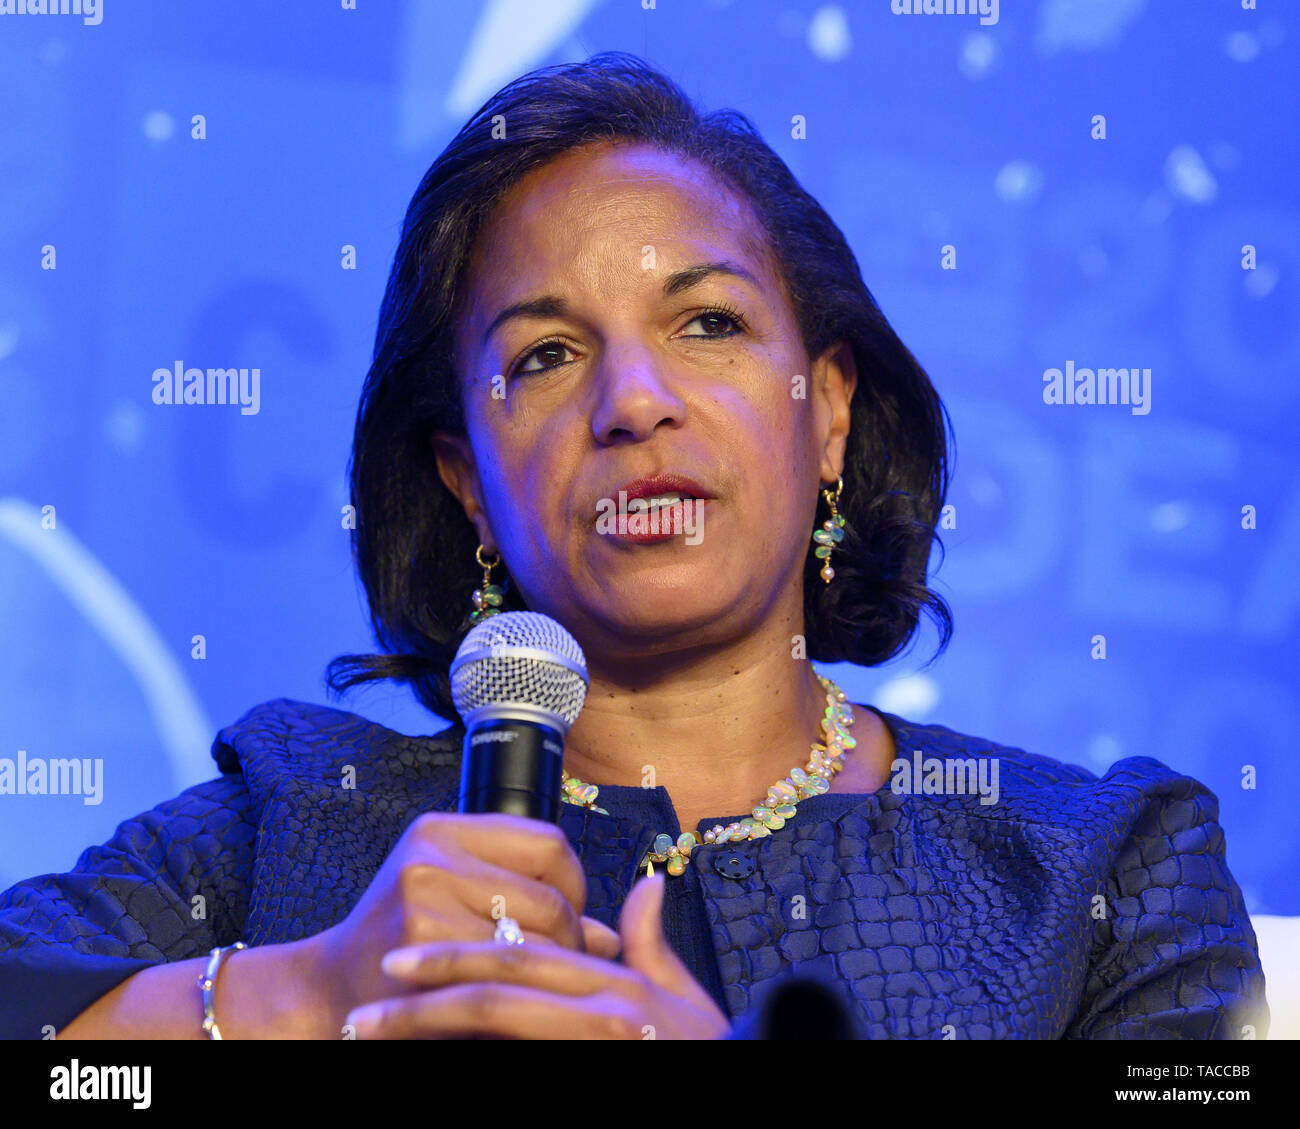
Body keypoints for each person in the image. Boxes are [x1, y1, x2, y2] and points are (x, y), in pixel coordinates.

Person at [0, 52, 1269, 1040]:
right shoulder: (292, 820)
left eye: (708, 323)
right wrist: (308, 995)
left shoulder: (1097, 866)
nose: (632, 402)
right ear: (470, 488)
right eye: (544, 356)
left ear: (825, 411)